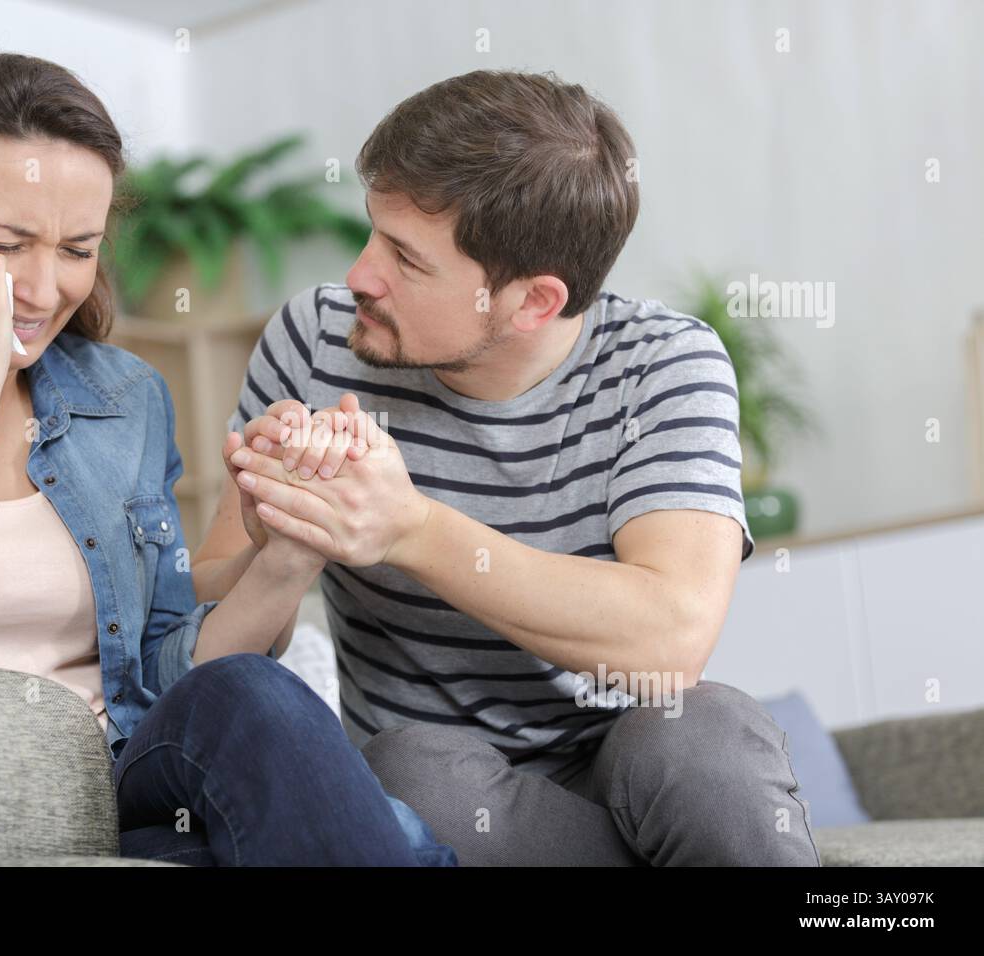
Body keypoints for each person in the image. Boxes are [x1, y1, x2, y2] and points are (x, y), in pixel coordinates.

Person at [0, 51, 455, 868]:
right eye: (6, 244)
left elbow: (175, 672)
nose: (43, 288)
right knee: (394, 837)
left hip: (123, 784)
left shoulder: (123, 393)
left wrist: (287, 555)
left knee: (260, 708)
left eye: (77, 249)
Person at [193, 70, 821, 866]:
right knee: (414, 775)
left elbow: (670, 637)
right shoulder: (312, 343)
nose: (359, 275)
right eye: (371, 233)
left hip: (632, 775)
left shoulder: (664, 363)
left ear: (531, 303)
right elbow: (205, 622)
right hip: (445, 796)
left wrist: (408, 527)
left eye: (405, 260)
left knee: (703, 739)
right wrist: (281, 540)